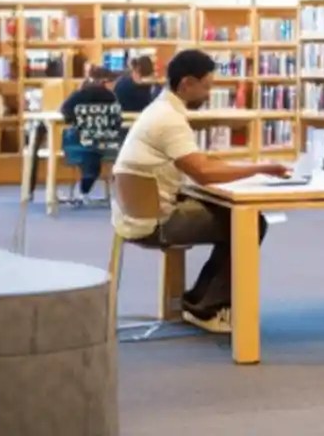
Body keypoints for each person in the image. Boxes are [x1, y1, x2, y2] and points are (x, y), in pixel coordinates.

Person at [112, 49, 288, 334]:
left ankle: (199, 300)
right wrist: (259, 169)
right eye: (206, 86)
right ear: (186, 84)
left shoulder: (158, 109)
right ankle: (207, 307)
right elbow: (203, 173)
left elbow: (197, 164)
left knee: (230, 214)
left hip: (134, 212)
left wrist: (238, 166)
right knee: (249, 223)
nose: (208, 94)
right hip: (155, 220)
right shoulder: (169, 119)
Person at [59, 66, 119, 197]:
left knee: (78, 138)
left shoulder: (80, 95)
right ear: (105, 82)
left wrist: (78, 122)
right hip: (105, 145)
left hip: (78, 145)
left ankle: (88, 175)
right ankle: (90, 175)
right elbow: (116, 118)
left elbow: (65, 111)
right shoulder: (111, 97)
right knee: (96, 144)